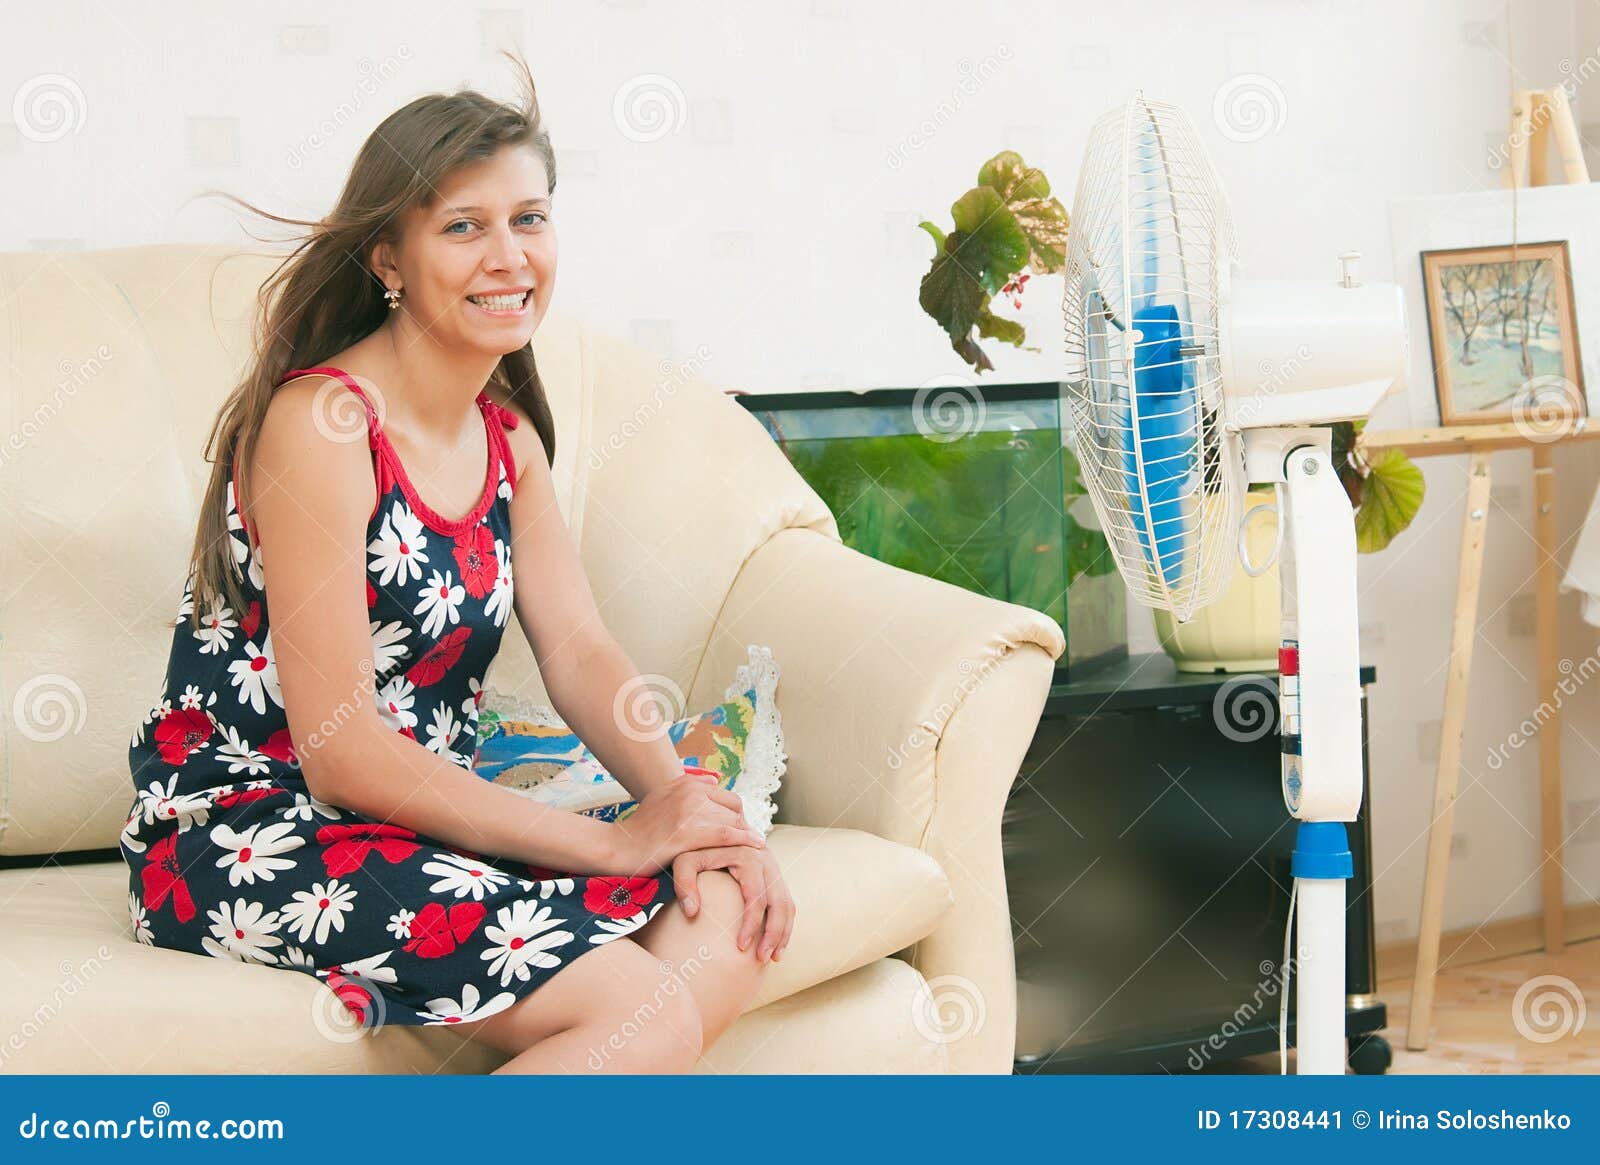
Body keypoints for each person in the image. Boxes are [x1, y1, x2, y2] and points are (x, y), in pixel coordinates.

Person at [120, 53, 792, 1074]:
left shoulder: (505, 436)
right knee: (641, 1013)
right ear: (388, 257)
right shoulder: (323, 424)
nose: (509, 255)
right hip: (251, 831)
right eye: (463, 226)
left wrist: (695, 812)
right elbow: (341, 751)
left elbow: (579, 650)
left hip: (416, 823)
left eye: (529, 218)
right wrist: (611, 843)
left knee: (731, 906)